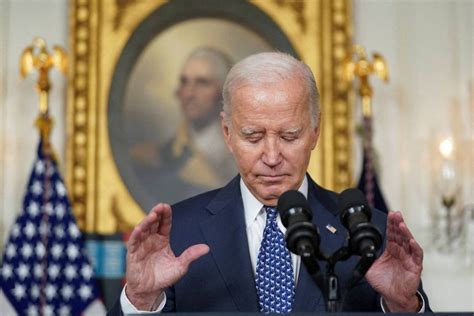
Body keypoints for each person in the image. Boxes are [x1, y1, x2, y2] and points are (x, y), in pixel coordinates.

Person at [111, 52, 430, 314]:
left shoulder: (367, 231)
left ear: (315, 132)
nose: (272, 156)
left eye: (290, 136)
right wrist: (140, 300)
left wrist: (404, 305)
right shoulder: (178, 232)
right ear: (227, 134)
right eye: (253, 136)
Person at [130, 47, 237, 206]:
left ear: (224, 92)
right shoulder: (154, 157)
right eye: (184, 82)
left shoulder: (244, 154)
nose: (189, 93)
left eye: (202, 83)